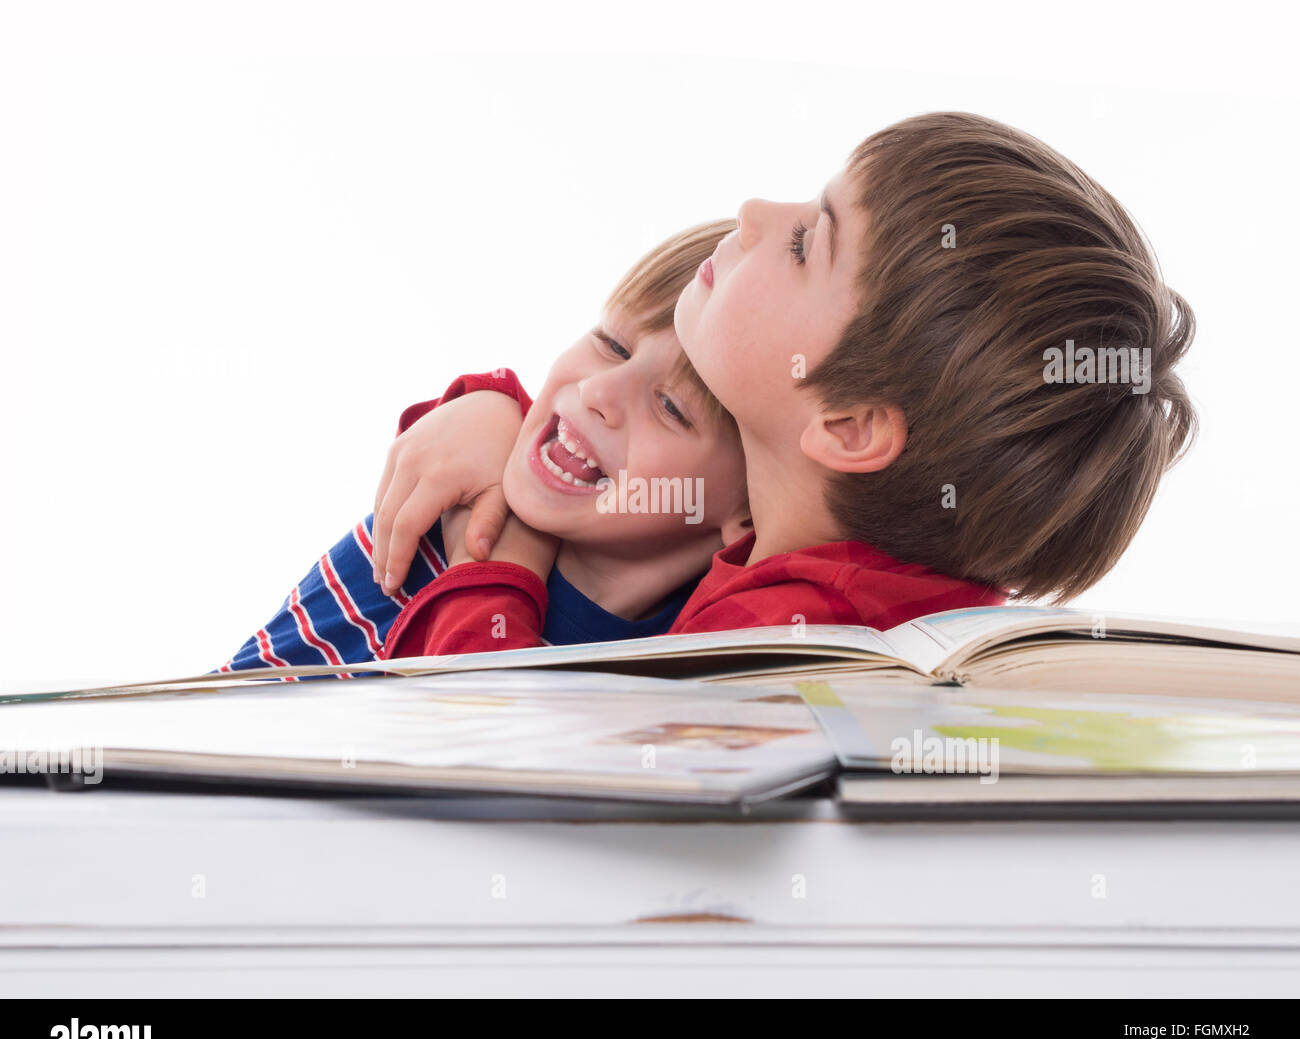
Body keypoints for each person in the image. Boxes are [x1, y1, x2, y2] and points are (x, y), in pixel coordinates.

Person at [379, 112, 1195, 657]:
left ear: (847, 425)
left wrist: (505, 552)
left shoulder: (785, 639)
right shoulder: (855, 574)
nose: (754, 211)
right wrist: (490, 407)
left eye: (807, 242)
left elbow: (497, 754)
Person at [216, 221, 750, 676]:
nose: (598, 392)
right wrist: (487, 397)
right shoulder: (446, 508)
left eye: (671, 407)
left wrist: (491, 567)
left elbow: (480, 743)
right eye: (612, 345)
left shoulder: (695, 663)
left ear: (748, 514)